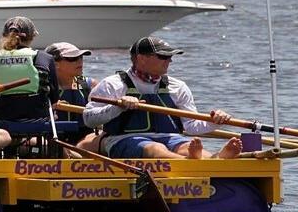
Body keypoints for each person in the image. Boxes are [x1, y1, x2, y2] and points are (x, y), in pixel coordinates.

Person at [82, 36, 242, 160]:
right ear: (141, 58)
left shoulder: (177, 86)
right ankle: (197, 162)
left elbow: (191, 127)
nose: (169, 60)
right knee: (155, 149)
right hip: (123, 139)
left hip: (171, 138)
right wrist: (118, 106)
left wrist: (213, 121)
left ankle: (210, 159)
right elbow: (89, 119)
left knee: (186, 146)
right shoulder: (113, 84)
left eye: (170, 57)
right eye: (163, 56)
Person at [0, 16, 59, 124]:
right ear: (32, 36)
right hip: (38, 119)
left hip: (2, 118)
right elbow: (54, 98)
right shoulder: (44, 57)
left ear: (5, 36)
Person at [44, 41, 100, 152]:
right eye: (72, 58)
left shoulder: (90, 85)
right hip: (52, 135)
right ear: (55, 64)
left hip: (84, 137)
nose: (79, 61)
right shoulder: (43, 87)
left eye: (81, 57)